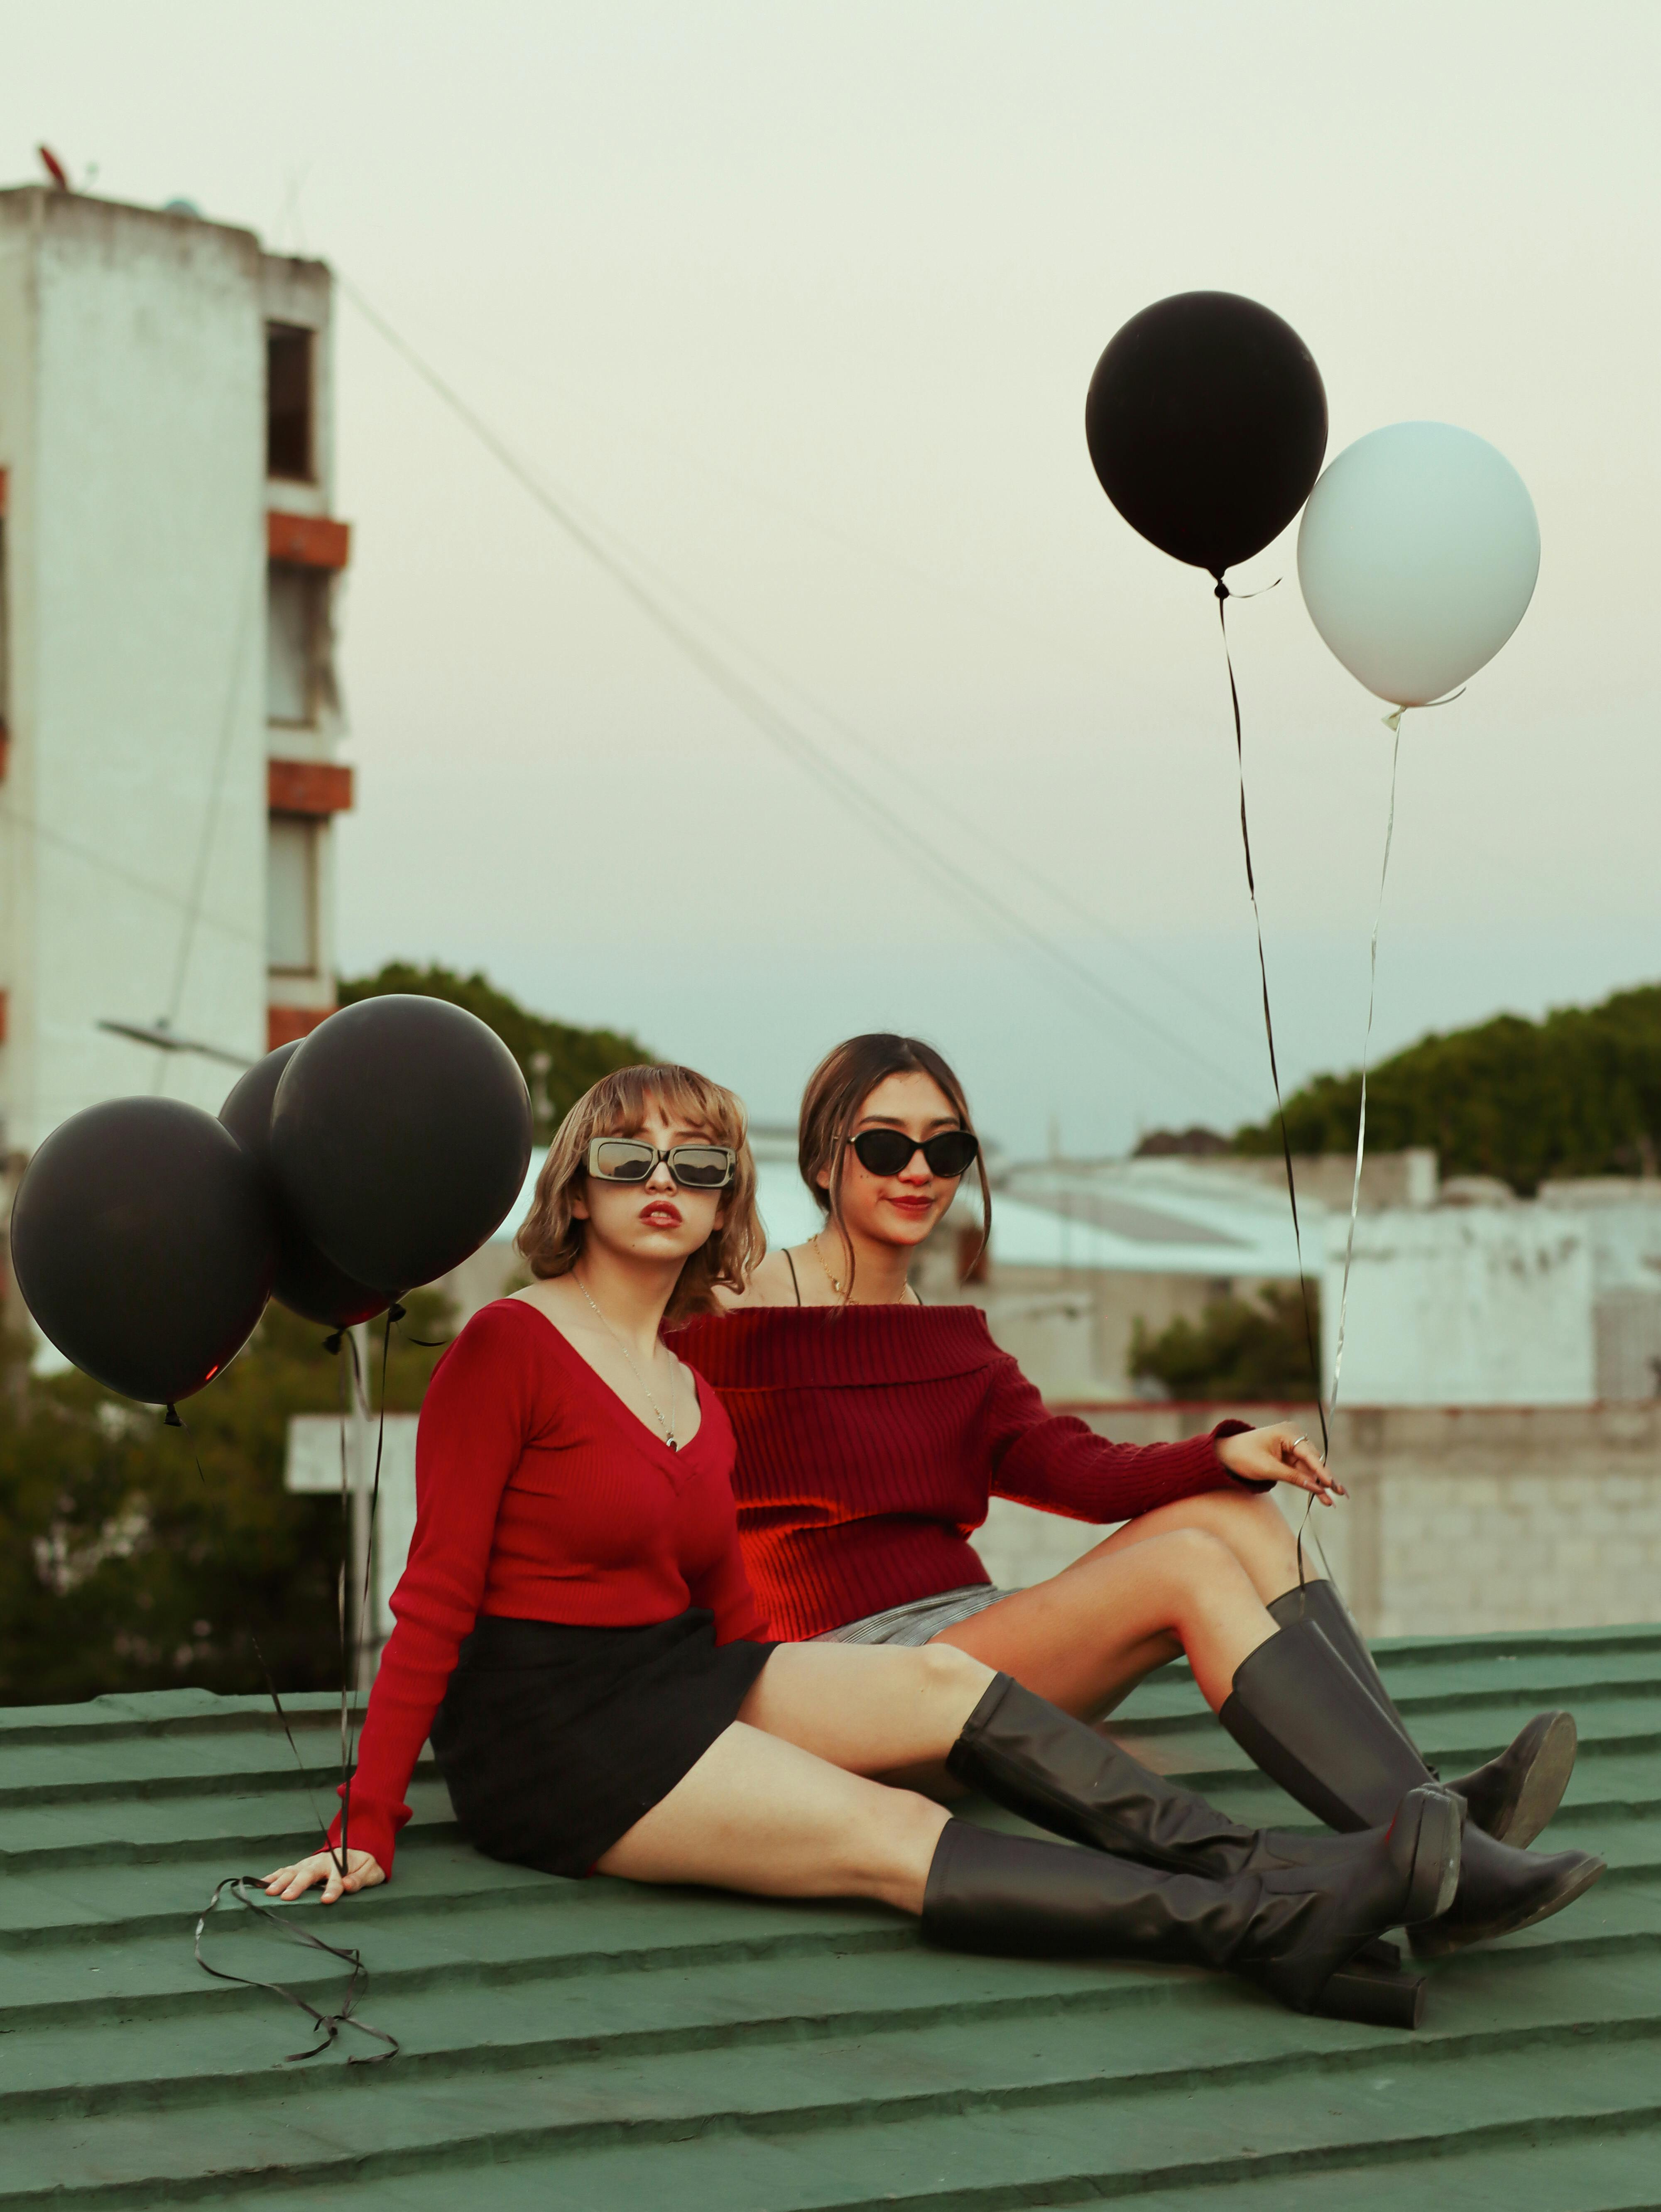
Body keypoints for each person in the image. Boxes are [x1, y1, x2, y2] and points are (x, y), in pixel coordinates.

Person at [264, 1063, 1478, 2025]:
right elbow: (430, 1601)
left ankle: (1288, 1872)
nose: (661, 1182)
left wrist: (796, 1696)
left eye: (697, 1163)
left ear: (723, 1199)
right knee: (888, 1840)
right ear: (574, 1191)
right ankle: (1274, 1929)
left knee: (947, 1681)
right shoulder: (509, 1348)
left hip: (687, 1674)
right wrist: (366, 1823)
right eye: (627, 1158)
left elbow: (726, 1601)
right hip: (556, 1739)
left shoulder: (682, 1375)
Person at [672, 1034, 1602, 1960]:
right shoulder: (736, 1304)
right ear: (821, 1157)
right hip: (844, 1676)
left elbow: (1078, 1470)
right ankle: (1438, 1838)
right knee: (1185, 1567)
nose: (918, 1172)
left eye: (945, 1148)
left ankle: (1427, 1818)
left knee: (1232, 1511)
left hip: (966, 1637)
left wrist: (1227, 1455)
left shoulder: (958, 1346)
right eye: (885, 1146)